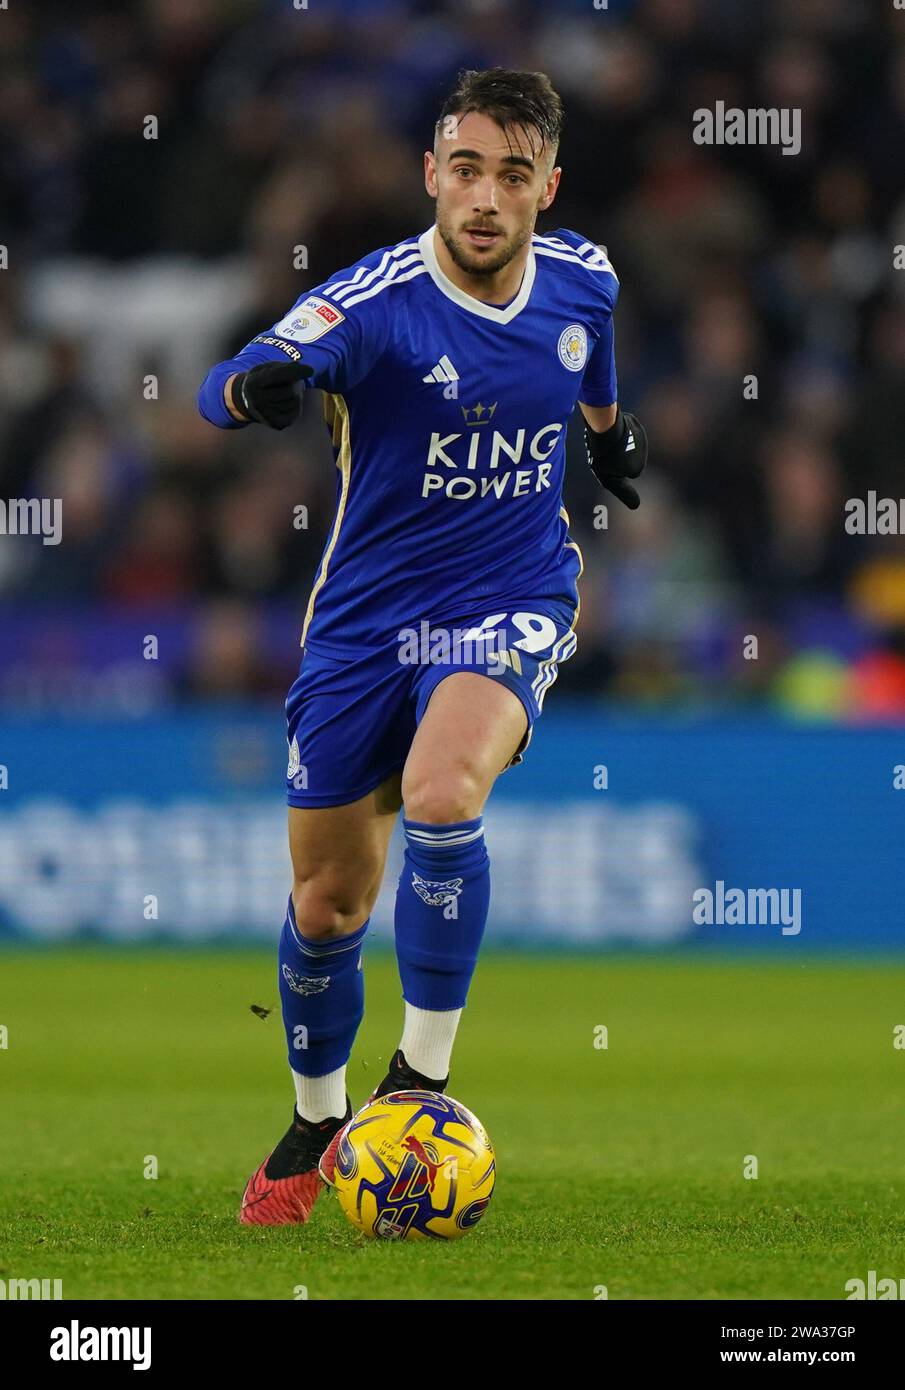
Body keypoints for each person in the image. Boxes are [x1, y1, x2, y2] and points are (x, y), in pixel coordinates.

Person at [198, 66, 646, 1225]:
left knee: (443, 793)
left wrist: (609, 439)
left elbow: (592, 369)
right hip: (361, 624)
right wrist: (263, 390)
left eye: (511, 174)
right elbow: (224, 381)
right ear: (430, 177)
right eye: (463, 169)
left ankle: (421, 1080)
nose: (485, 196)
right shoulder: (373, 303)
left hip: (511, 592)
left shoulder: (584, 278)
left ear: (547, 185)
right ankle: (314, 1119)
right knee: (326, 907)